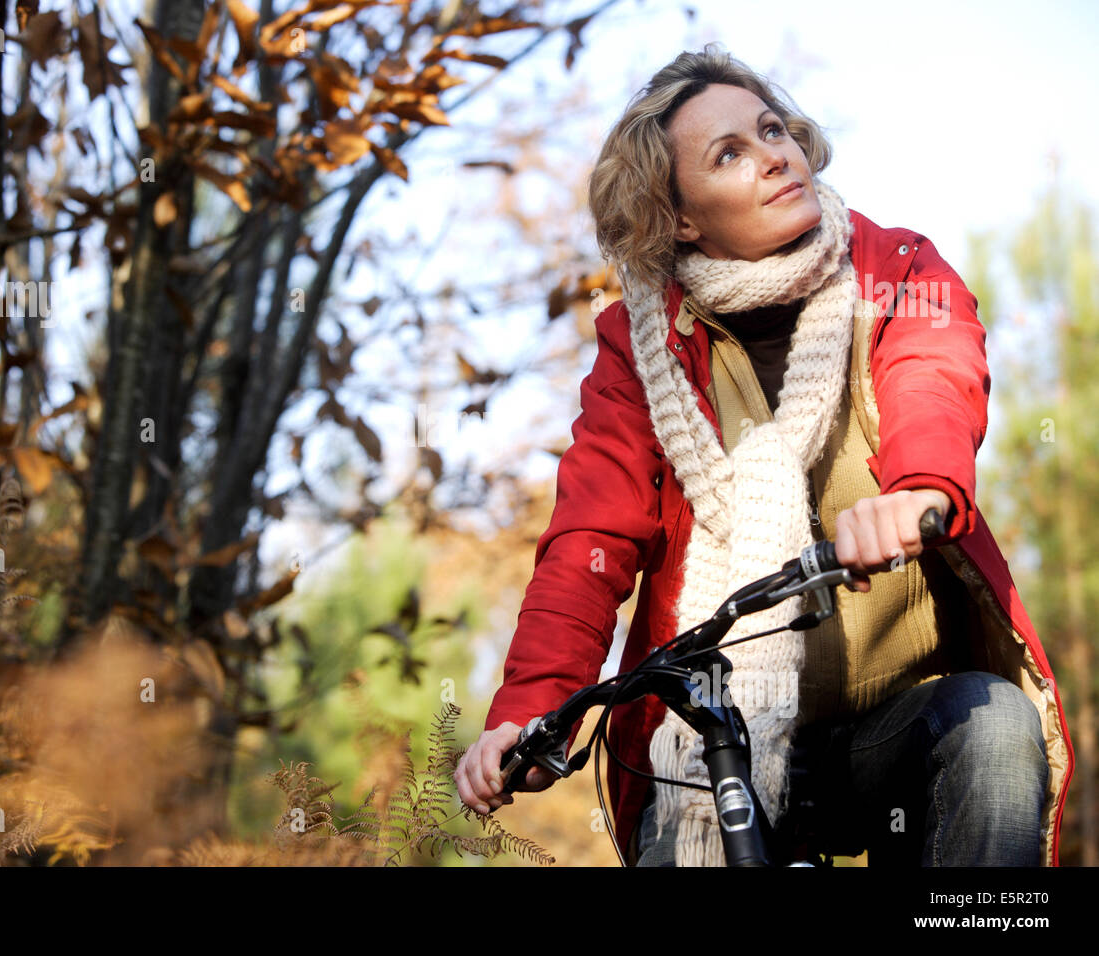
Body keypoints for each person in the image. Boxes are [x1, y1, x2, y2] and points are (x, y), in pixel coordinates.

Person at [453, 44, 1074, 866]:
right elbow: (590, 540)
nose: (775, 154)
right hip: (716, 738)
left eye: (772, 128)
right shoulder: (637, 349)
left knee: (993, 726)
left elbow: (934, 372)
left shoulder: (894, 269)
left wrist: (916, 489)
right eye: (730, 154)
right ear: (680, 217)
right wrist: (529, 708)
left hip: (900, 727)